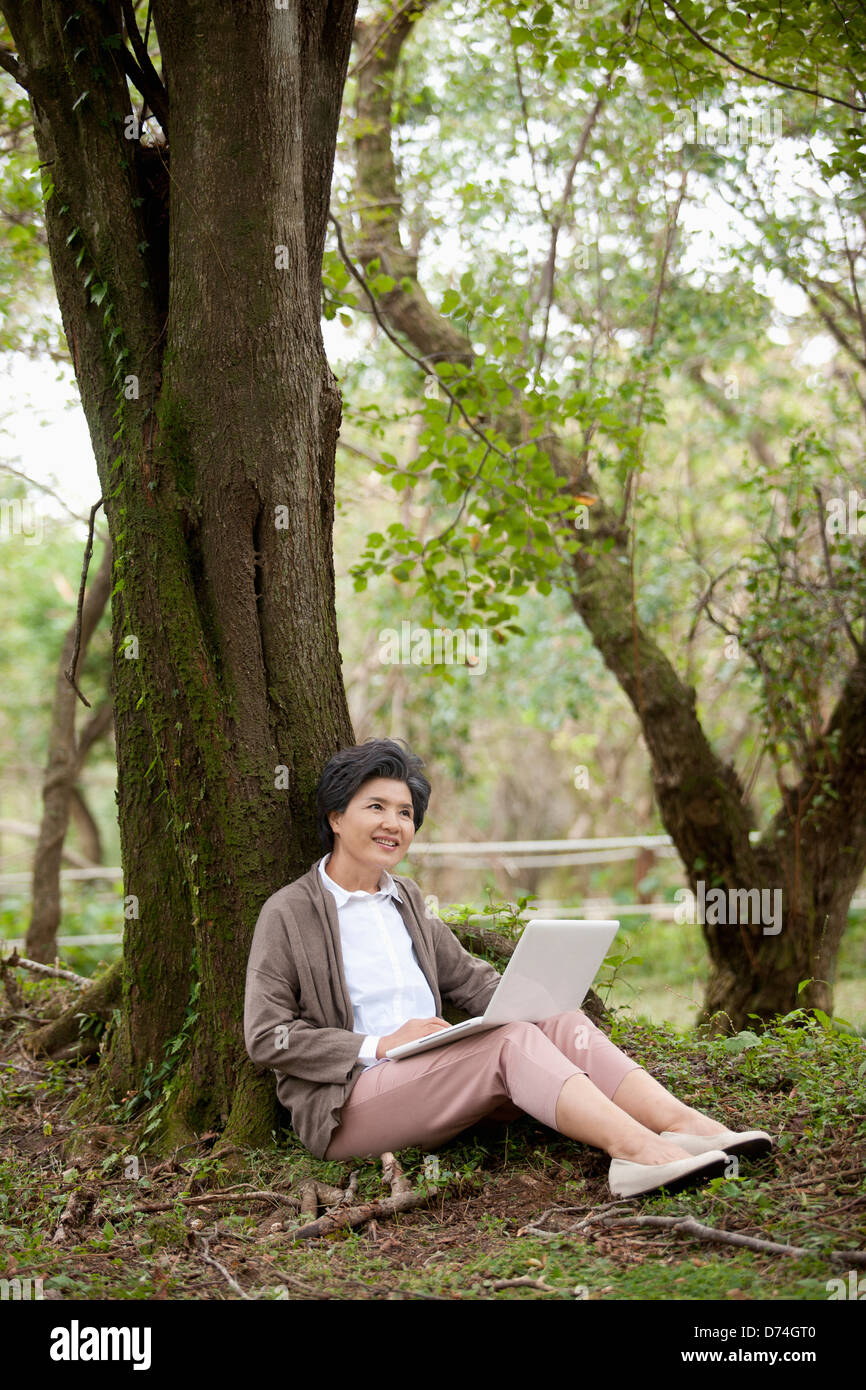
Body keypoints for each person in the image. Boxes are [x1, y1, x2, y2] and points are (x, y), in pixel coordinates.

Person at [244, 738, 772, 1198]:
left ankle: (687, 1127)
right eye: (376, 807)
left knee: (558, 1019)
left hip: (431, 1078)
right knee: (507, 1042)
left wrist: (535, 997)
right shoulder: (290, 912)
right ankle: (637, 1153)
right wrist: (377, 1044)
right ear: (336, 818)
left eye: (405, 813)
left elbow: (469, 979)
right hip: (349, 1106)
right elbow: (267, 1037)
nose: (393, 824)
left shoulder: (404, 898)